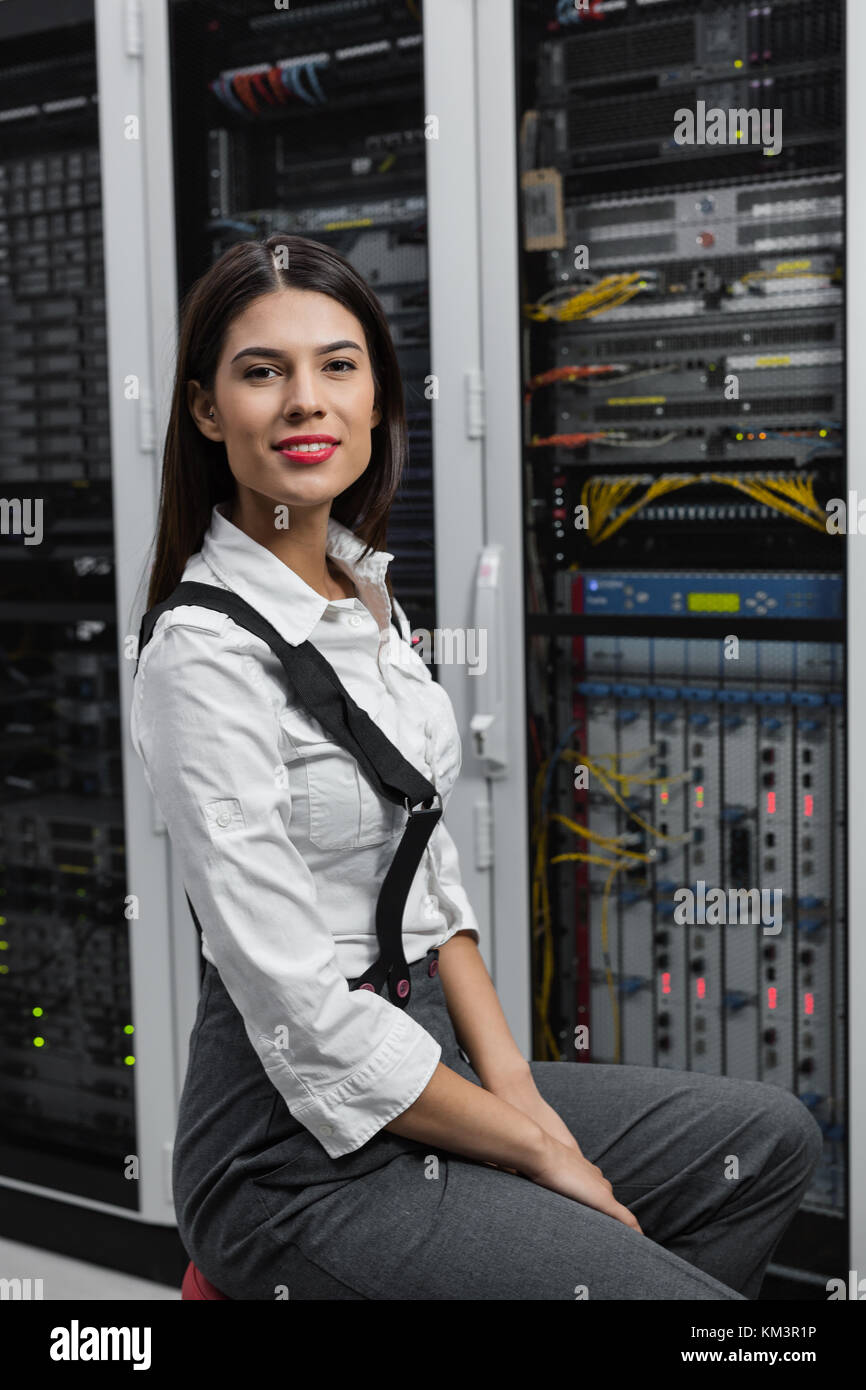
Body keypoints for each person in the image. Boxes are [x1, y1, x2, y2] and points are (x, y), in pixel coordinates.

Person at [130, 233, 823, 1300]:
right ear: (208, 411)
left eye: (338, 365)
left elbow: (432, 884)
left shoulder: (363, 596)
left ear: (375, 401)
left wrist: (519, 1095)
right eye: (263, 371)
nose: (306, 400)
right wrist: (536, 1153)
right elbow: (302, 1010)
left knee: (766, 1140)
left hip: (429, 1078)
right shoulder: (202, 654)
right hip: (290, 1160)